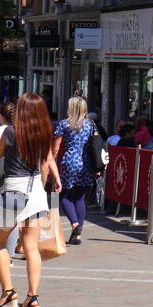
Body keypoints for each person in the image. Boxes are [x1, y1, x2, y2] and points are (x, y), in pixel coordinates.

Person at [0, 93, 61, 307]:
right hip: (36, 191)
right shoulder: (44, 134)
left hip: (14, 192)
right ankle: (32, 297)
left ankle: (8, 293)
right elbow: (46, 164)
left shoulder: (10, 131)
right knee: (31, 248)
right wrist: (49, 181)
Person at [53, 96, 100, 245]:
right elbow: (97, 145)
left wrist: (52, 166)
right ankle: (78, 235)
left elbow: (55, 148)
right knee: (80, 197)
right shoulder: (91, 124)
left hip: (70, 161)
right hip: (86, 162)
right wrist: (98, 165)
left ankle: (74, 224)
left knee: (64, 195)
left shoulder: (63, 124)